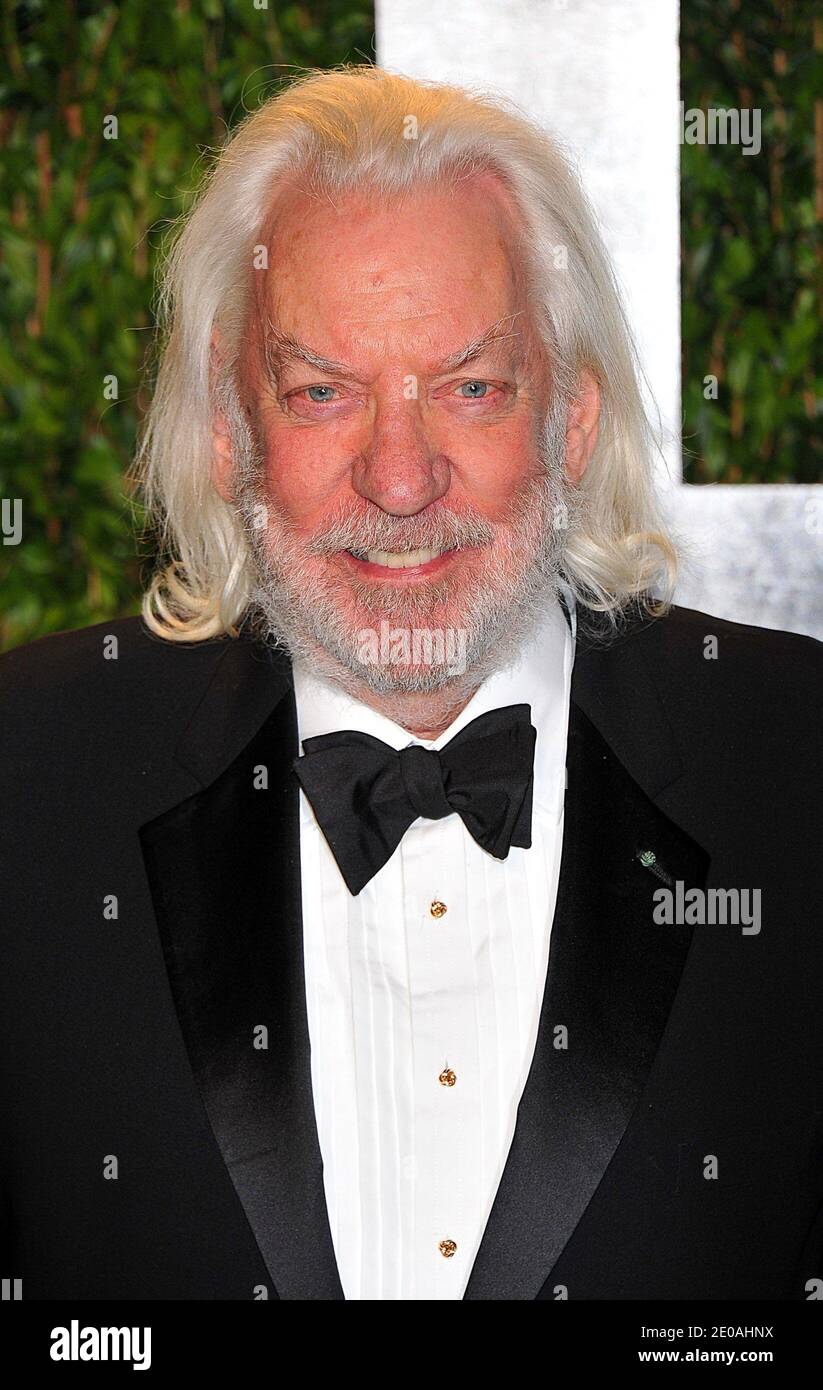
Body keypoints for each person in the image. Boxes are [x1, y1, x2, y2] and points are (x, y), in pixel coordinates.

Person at [1, 66, 821, 1302]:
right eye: (322, 391)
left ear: (575, 418)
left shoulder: (799, 762)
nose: (398, 478)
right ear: (229, 429)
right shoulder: (24, 778)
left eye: (471, 387)